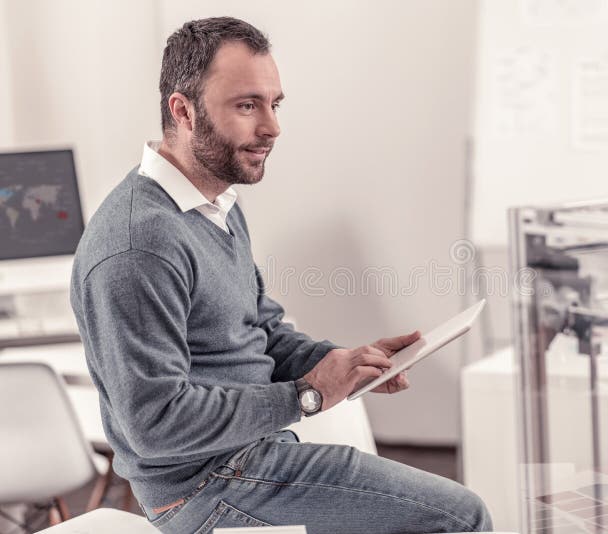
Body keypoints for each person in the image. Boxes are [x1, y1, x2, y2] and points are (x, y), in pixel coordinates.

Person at [70, 16, 492, 534]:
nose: (271, 127)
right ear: (183, 111)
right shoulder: (139, 243)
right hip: (204, 488)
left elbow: (262, 331)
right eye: (247, 105)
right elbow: (155, 424)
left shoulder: (216, 203)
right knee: (461, 517)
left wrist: (348, 365)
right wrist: (307, 395)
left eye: (275, 103)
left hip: (255, 457)